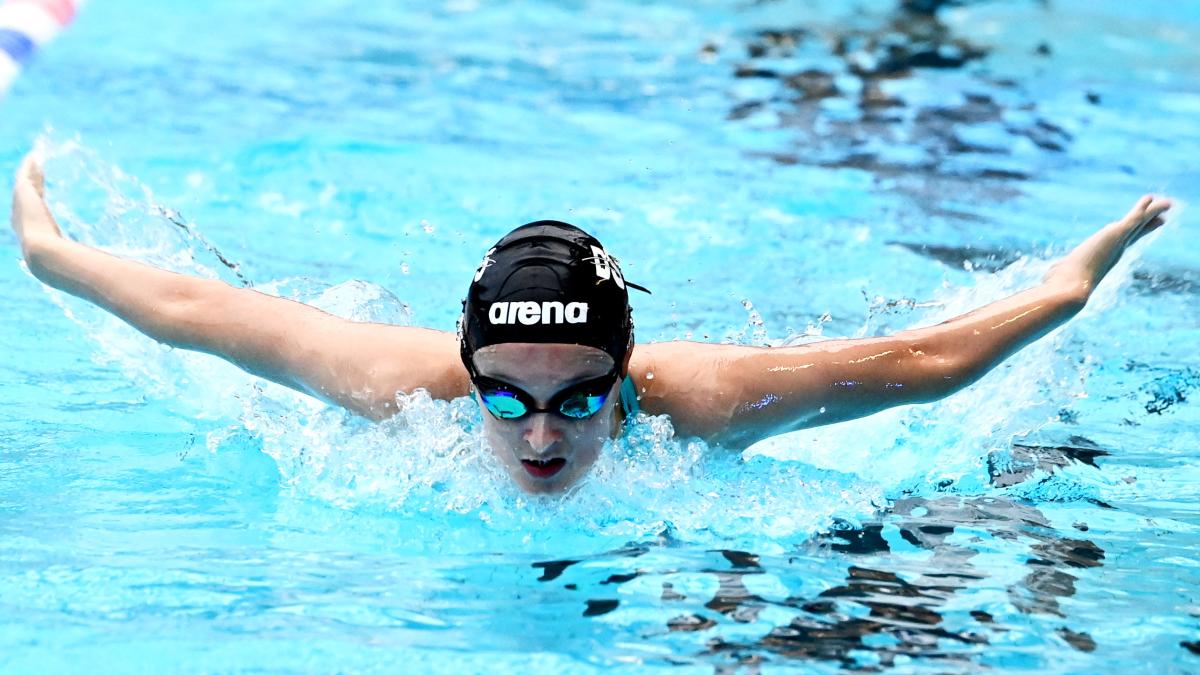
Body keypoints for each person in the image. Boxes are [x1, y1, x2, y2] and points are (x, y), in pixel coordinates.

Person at [10, 152, 1174, 493]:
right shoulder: (401, 384)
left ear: (624, 383)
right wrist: (51, 255)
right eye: (502, 396)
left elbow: (923, 366)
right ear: (467, 374)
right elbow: (193, 313)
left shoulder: (703, 406)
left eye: (578, 399)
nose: (538, 438)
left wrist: (1070, 287)